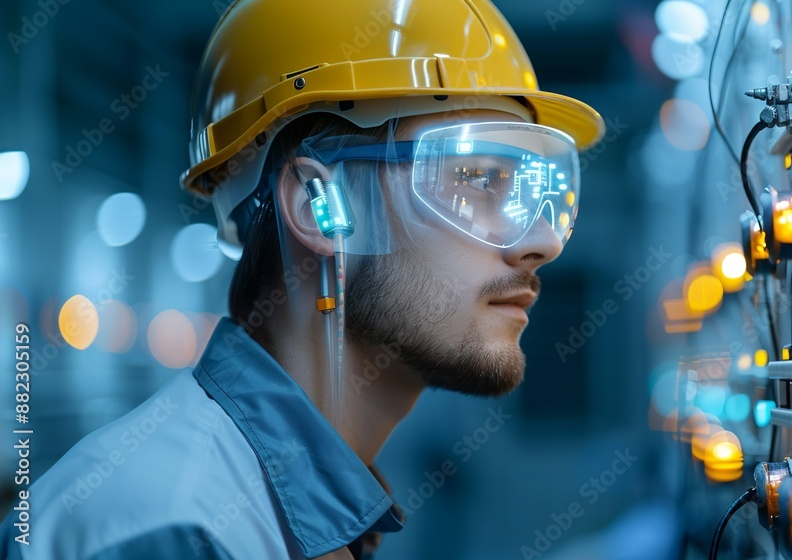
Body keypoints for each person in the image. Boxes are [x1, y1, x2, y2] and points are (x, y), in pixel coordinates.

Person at [1, 0, 604, 558]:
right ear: (320, 206)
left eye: (534, 191)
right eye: (476, 178)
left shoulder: (277, 508)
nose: (541, 243)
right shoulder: (176, 531)